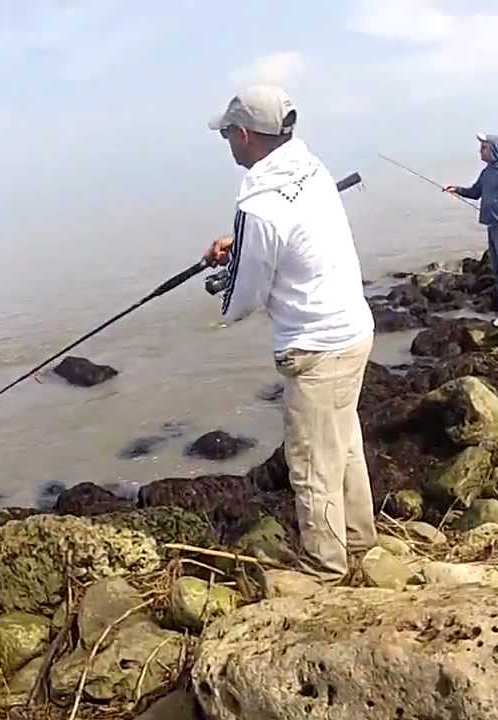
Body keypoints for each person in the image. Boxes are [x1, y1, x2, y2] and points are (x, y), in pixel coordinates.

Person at [202, 85, 377, 583]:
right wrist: (242, 244)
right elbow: (295, 228)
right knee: (342, 447)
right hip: (354, 332)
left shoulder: (259, 202)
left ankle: (325, 570)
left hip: (317, 349)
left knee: (310, 467)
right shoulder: (309, 166)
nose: (228, 145)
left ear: (242, 135)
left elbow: (244, 298)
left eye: (227, 136)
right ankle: (362, 547)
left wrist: (227, 289)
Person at [443, 133, 498, 328]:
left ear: (495, 149)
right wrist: (457, 189)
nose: (480, 151)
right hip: (492, 226)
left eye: (484, 147)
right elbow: (475, 193)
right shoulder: (487, 172)